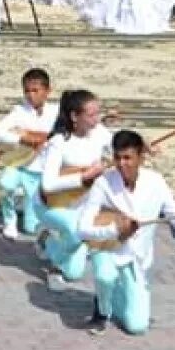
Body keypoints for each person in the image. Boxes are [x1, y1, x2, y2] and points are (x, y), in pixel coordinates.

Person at [75, 129, 175, 336]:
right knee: (105, 276)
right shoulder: (103, 183)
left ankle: (111, 296)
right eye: (118, 158)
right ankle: (102, 311)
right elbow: (82, 228)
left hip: (137, 260)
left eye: (128, 158)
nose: (122, 164)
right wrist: (115, 229)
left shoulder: (156, 181)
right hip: (108, 250)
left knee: (137, 327)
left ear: (141, 157)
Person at [36, 89, 114, 291]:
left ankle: (49, 241)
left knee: (74, 273)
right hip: (52, 205)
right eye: (92, 115)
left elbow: (119, 146)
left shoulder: (99, 133)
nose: (98, 119)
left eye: (99, 113)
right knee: (74, 230)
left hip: (81, 205)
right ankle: (55, 261)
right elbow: (48, 185)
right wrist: (84, 177)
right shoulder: (58, 142)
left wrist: (141, 147)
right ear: (74, 116)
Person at [0, 67, 55, 239]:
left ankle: (26, 206)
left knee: (31, 228)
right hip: (19, 165)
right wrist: (23, 139)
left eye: (35, 90)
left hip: (42, 172)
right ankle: (9, 220)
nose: (31, 95)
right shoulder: (19, 112)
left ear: (47, 91)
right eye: (27, 91)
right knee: (6, 183)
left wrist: (38, 136)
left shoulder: (57, 112)